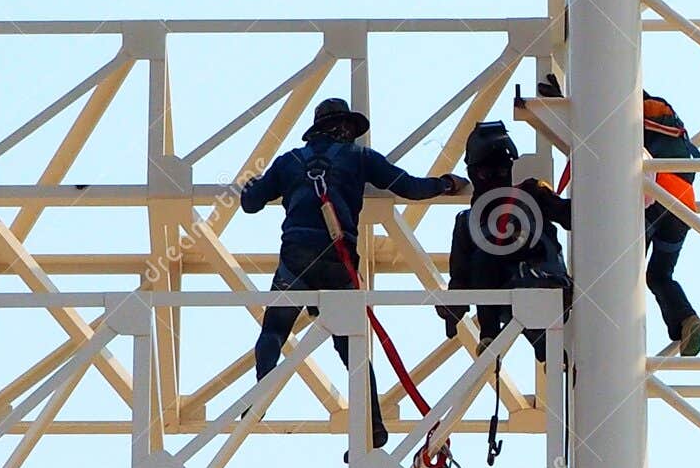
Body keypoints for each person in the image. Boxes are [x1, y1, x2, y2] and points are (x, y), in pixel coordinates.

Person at [240, 97, 463, 449]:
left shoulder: (289, 162)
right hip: (338, 261)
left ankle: (258, 397)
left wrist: (251, 187)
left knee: (275, 328)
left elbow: (250, 204)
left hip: (296, 258)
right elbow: (410, 187)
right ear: (341, 128)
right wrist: (446, 184)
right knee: (352, 350)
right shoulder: (360, 158)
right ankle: (372, 422)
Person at [436, 120, 571, 364]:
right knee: (482, 259)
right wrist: (452, 309)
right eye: (487, 173)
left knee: (509, 272)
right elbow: (460, 274)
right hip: (506, 295)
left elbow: (568, 215)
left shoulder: (531, 194)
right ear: (474, 174)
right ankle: (489, 335)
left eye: (501, 171)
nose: (496, 179)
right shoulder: (468, 222)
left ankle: (547, 352)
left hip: (543, 284)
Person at [642, 90, 700, 356]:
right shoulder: (671, 122)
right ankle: (685, 320)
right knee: (659, 275)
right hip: (682, 209)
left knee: (620, 269)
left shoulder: (627, 111)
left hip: (652, 197)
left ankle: (610, 322)